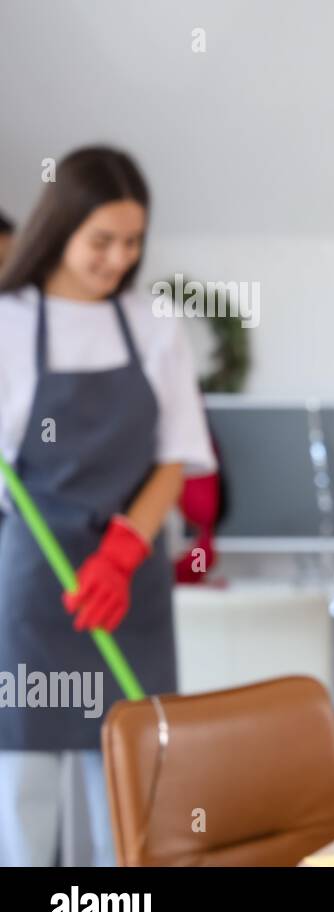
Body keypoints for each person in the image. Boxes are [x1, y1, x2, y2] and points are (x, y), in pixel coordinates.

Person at [0, 146, 216, 866]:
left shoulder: (154, 325)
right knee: (25, 764)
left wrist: (123, 554)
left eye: (133, 241)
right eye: (103, 240)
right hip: (36, 582)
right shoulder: (8, 321)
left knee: (127, 769)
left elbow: (174, 457)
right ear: (61, 228)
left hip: (130, 579)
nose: (119, 258)